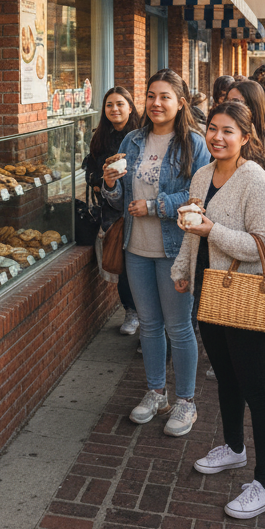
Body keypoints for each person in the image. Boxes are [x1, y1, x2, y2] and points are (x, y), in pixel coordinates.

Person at [171, 101, 265, 519]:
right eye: (213, 129)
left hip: (244, 295)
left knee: (256, 389)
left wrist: (212, 230)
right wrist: (182, 268)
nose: (217, 137)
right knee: (225, 377)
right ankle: (234, 447)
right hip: (209, 290)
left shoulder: (256, 180)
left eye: (228, 131)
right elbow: (192, 229)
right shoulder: (203, 174)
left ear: (246, 137)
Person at [102, 69, 211, 436]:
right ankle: (155, 393)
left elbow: (198, 196)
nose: (156, 103)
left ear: (181, 103)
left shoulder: (193, 143)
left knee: (179, 327)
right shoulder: (132, 140)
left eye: (165, 97)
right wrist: (110, 185)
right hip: (136, 248)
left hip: (175, 249)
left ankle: (186, 401)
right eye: (150, 96)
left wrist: (154, 207)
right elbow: (118, 200)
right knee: (149, 326)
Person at [85, 86, 142, 336]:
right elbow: (90, 171)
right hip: (113, 212)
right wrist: (101, 181)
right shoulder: (99, 138)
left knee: (141, 265)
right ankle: (131, 311)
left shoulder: (141, 136)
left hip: (139, 207)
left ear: (130, 107)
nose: (114, 109)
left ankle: (148, 319)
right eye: (109, 105)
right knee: (124, 265)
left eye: (120, 104)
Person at [225, 79, 265, 195]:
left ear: (252, 105)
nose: (230, 107)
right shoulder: (222, 135)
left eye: (237, 102)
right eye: (228, 102)